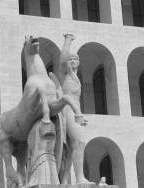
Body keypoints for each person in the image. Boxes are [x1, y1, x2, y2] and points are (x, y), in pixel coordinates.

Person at [54, 33, 88, 184]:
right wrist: (68, 40)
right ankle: (80, 177)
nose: (73, 61)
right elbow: (62, 58)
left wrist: (81, 116)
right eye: (71, 59)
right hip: (67, 111)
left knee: (72, 148)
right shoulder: (64, 74)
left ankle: (66, 179)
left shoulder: (75, 77)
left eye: (76, 59)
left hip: (76, 112)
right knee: (79, 141)